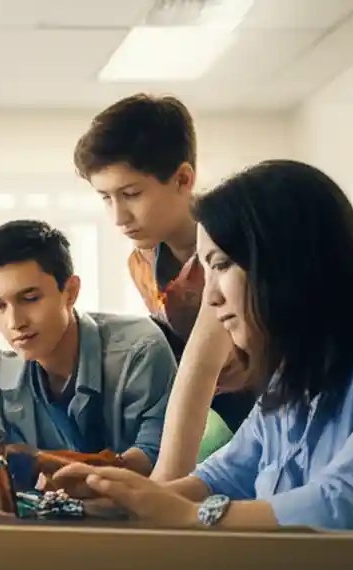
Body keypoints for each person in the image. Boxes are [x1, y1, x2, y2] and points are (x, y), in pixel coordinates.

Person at [54, 161, 353, 532]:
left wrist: (187, 515)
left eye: (221, 265)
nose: (212, 298)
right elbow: (226, 475)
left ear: (286, 259)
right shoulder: (296, 369)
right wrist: (127, 499)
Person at [74, 94, 253, 477]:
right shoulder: (142, 261)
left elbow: (201, 368)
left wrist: (159, 490)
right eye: (106, 198)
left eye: (131, 194)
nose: (118, 217)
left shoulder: (234, 246)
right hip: (214, 421)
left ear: (183, 179)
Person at [0, 220, 176, 479]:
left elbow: (155, 461)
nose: (14, 322)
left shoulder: (140, 350)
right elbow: (20, 482)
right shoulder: (3, 376)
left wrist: (42, 463)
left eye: (30, 299)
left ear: (70, 292)